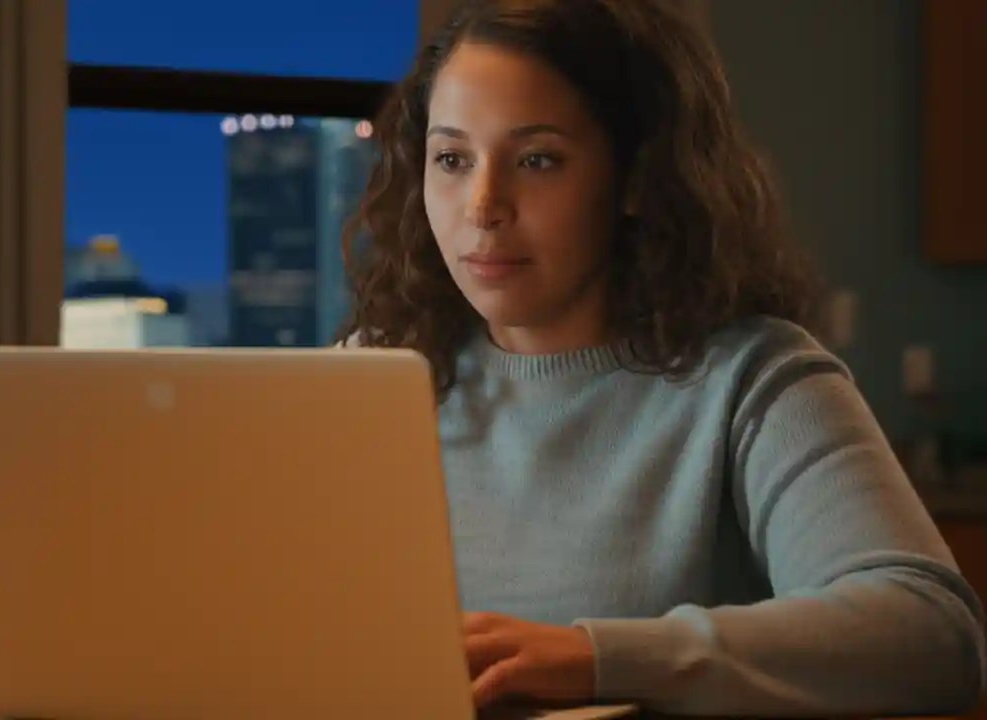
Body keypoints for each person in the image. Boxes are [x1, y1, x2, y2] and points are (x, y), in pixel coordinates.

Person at [336, 0, 985, 715]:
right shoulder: (368, 381)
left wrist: (599, 659)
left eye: (537, 160)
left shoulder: (753, 381)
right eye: (453, 159)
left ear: (637, 178)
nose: (483, 204)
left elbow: (933, 634)